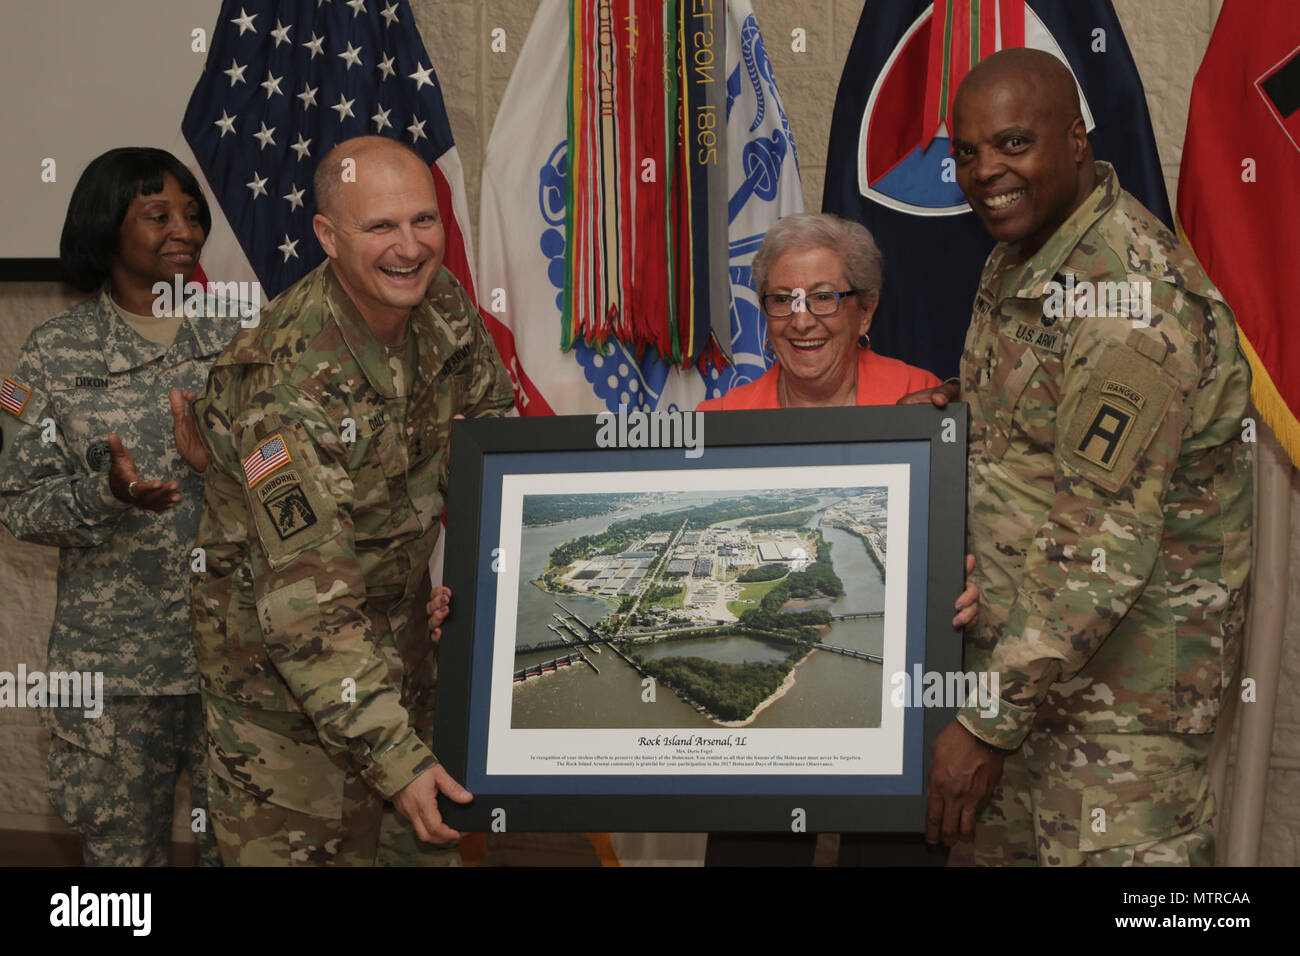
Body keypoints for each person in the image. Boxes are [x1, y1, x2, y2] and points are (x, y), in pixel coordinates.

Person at [911, 49, 1253, 866]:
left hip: (1118, 711)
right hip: (1030, 676)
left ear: (1075, 139)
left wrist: (986, 720)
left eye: (1013, 144)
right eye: (966, 152)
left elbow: (1098, 542)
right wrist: (957, 409)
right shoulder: (1027, 248)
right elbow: (1050, 412)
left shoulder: (1130, 299)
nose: (986, 171)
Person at [187, 136, 514, 866]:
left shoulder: (443, 308)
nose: (410, 248)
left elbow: (493, 446)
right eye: (380, 228)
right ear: (329, 236)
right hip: (287, 711)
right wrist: (398, 759)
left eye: (423, 221)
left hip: (400, 667)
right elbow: (306, 607)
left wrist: (472, 576)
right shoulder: (283, 384)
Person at [699, 212, 979, 865]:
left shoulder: (927, 406)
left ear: (866, 309)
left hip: (898, 700)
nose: (802, 319)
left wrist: (977, 579)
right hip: (760, 698)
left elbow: (987, 534)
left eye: (824, 297)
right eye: (782, 299)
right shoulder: (715, 425)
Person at [0, 147, 238, 866]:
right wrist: (105, 494)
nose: (185, 231)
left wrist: (225, 466)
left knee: (244, 850)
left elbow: (286, 470)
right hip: (117, 671)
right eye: (158, 213)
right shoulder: (51, 357)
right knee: (121, 870)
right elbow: (17, 501)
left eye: (193, 215)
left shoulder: (240, 341)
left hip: (236, 657)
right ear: (108, 225)